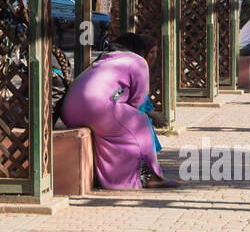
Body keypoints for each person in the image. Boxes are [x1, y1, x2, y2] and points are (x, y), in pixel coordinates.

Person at [59, 33, 178, 188]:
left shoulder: (104, 59)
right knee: (140, 122)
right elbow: (138, 102)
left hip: (69, 112)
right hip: (97, 108)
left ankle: (112, 176)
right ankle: (150, 176)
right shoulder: (138, 61)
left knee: (113, 133)